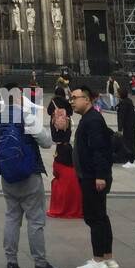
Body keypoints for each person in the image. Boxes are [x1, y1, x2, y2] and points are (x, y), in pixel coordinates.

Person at [0, 85, 60, 268]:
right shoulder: (27, 116)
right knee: (35, 219)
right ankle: (40, 263)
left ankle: (11, 262)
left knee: (12, 217)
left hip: (7, 174)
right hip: (29, 173)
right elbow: (46, 142)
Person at [70, 84, 116, 268]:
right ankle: (108, 258)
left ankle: (98, 260)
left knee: (94, 217)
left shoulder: (92, 120)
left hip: (92, 177)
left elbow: (99, 150)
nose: (72, 101)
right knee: (101, 216)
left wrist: (99, 176)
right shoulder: (90, 118)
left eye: (75, 98)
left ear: (87, 99)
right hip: (92, 175)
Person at [46, 86, 82, 219]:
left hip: (56, 131)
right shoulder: (66, 102)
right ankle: (64, 141)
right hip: (66, 131)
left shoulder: (53, 101)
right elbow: (71, 113)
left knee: (58, 140)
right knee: (64, 138)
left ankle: (60, 142)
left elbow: (49, 111)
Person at [116, 85, 135, 168]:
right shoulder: (129, 101)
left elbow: (121, 117)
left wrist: (120, 129)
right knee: (132, 142)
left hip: (128, 126)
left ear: (121, 94)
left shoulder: (123, 103)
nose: (116, 94)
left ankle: (131, 161)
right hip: (133, 125)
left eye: (117, 93)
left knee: (128, 143)